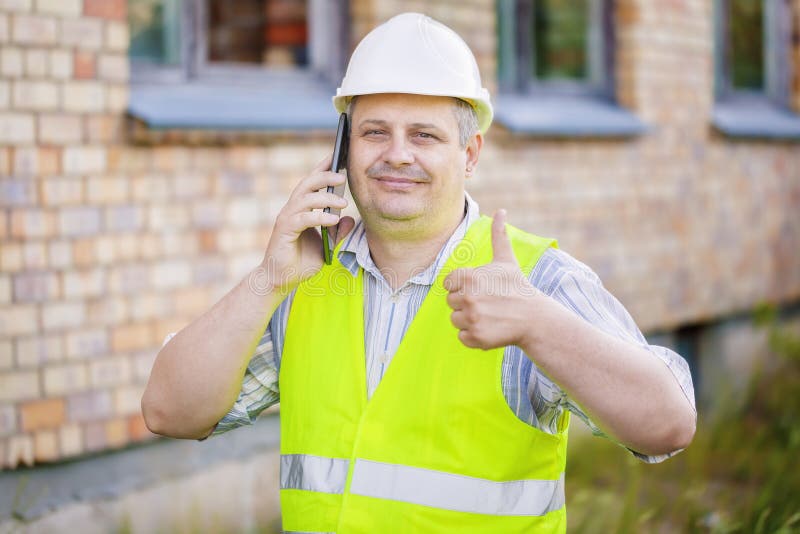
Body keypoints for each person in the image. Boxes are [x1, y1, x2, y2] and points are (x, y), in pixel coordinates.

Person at [142, 12, 696, 533]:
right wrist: (267, 278)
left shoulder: (532, 282)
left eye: (424, 135)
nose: (397, 155)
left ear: (470, 154)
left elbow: (666, 426)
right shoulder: (304, 278)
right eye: (375, 132)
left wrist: (537, 326)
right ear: (342, 149)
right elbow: (169, 410)